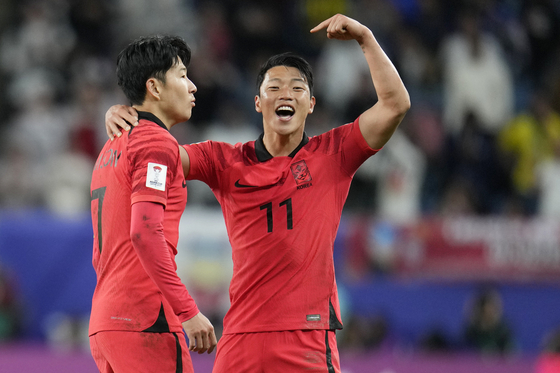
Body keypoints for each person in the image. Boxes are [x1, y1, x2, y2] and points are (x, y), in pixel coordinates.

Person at [106, 14, 410, 373]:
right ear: (257, 103)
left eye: (297, 88)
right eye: (274, 87)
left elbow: (395, 105)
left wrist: (366, 38)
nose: (286, 94)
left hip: (307, 337)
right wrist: (135, 116)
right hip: (240, 339)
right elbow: (157, 154)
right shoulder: (224, 160)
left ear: (310, 105)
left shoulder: (335, 154)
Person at [89, 35, 216, 373]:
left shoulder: (111, 147)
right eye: (183, 75)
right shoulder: (156, 143)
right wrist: (188, 311)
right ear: (154, 88)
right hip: (145, 319)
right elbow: (144, 232)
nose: (193, 87)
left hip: (106, 321)